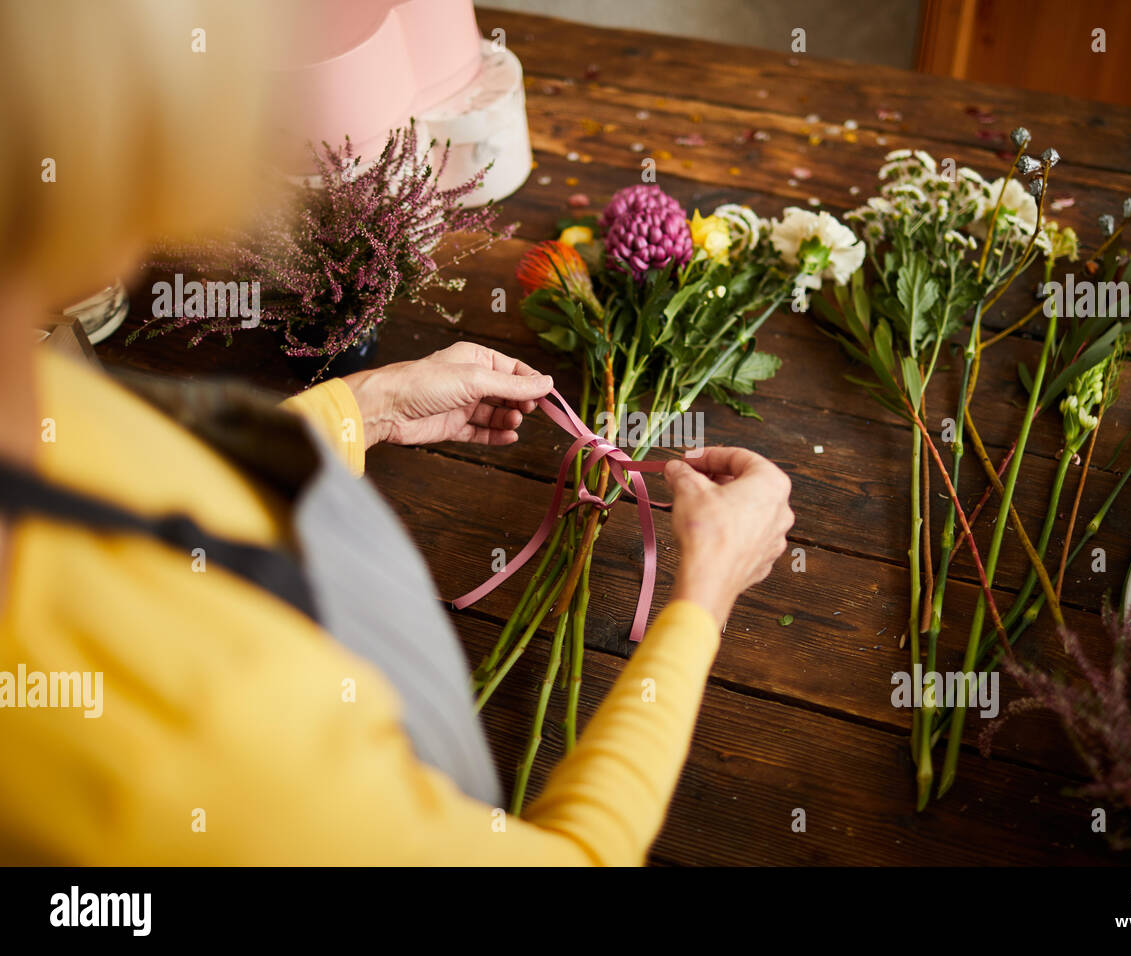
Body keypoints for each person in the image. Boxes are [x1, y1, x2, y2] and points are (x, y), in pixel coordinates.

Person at [0, 0, 794, 864]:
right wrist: (704, 595)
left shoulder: (34, 378)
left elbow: (139, 480)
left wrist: (365, 404)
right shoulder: (183, 746)